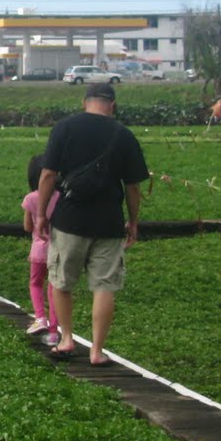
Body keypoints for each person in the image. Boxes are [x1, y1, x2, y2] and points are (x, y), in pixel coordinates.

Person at [35, 82, 149, 364]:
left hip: (69, 219)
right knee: (104, 286)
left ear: (85, 102)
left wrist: (40, 214)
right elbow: (133, 187)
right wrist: (133, 221)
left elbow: (48, 174)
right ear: (112, 104)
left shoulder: (65, 128)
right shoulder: (123, 135)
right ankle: (97, 351)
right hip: (109, 222)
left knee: (62, 282)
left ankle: (67, 338)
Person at [22, 154, 58, 342]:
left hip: (38, 250)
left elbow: (28, 227)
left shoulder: (30, 198)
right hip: (57, 249)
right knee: (55, 287)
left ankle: (39, 318)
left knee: (36, 283)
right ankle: (54, 328)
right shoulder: (60, 197)